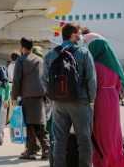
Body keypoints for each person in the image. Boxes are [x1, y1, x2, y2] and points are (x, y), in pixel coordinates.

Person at [43, 23, 97, 167]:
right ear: (73, 35)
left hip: (58, 104)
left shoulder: (50, 54)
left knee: (59, 141)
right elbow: (92, 80)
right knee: (84, 141)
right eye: (79, 33)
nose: (80, 36)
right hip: (80, 101)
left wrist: (52, 99)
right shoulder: (84, 53)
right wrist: (91, 101)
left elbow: (44, 80)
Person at [88, 39, 124, 167]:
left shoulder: (94, 66)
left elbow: (91, 86)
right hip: (113, 100)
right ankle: (116, 160)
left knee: (100, 132)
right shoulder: (114, 66)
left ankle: (103, 160)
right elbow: (119, 86)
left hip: (100, 100)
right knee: (114, 132)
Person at [12, 38, 50, 160]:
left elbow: (17, 80)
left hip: (27, 96)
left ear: (22, 47)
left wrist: (14, 97)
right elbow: (45, 78)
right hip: (40, 96)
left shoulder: (21, 60)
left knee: (29, 125)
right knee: (39, 125)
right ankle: (47, 151)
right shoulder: (40, 60)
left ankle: (31, 152)